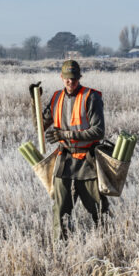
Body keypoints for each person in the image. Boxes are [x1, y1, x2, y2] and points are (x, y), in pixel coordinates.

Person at [39, 59, 109, 241]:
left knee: (100, 211)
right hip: (65, 161)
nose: (71, 82)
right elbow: (40, 125)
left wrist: (66, 134)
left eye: (75, 78)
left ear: (80, 77)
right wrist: (34, 102)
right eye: (68, 78)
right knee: (60, 212)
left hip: (87, 162)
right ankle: (60, 253)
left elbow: (99, 131)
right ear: (61, 78)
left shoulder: (91, 97)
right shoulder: (56, 98)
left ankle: (108, 245)